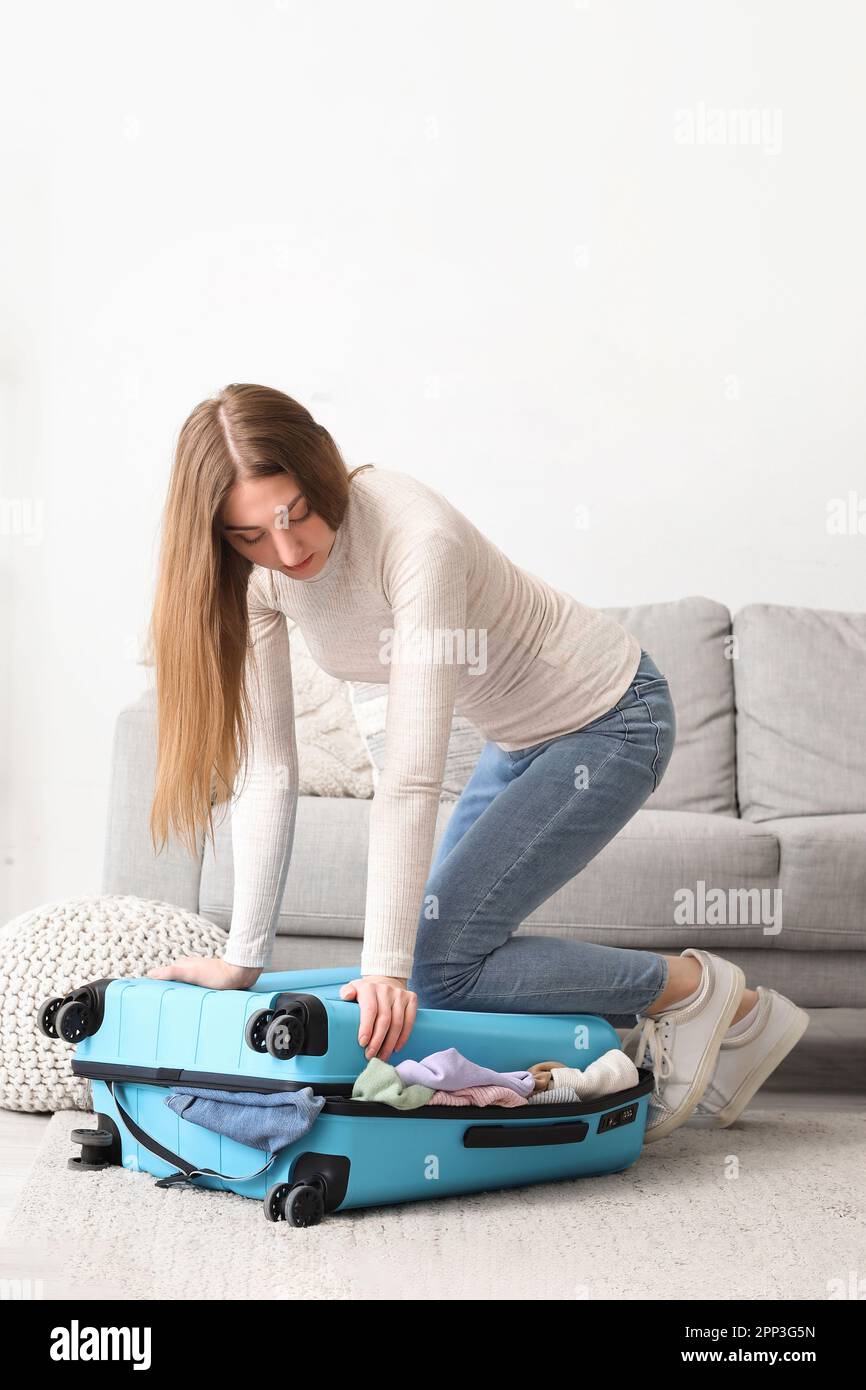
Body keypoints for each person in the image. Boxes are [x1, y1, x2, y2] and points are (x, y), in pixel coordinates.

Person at [146, 383, 808, 1141]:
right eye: (250, 535)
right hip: (515, 742)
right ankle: (745, 1020)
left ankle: (695, 992)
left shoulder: (414, 539)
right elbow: (269, 772)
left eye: (293, 514)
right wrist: (241, 961)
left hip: (613, 720)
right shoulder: (259, 577)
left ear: (320, 467)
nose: (287, 552)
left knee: (433, 967)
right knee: (442, 966)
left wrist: (388, 967)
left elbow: (410, 777)